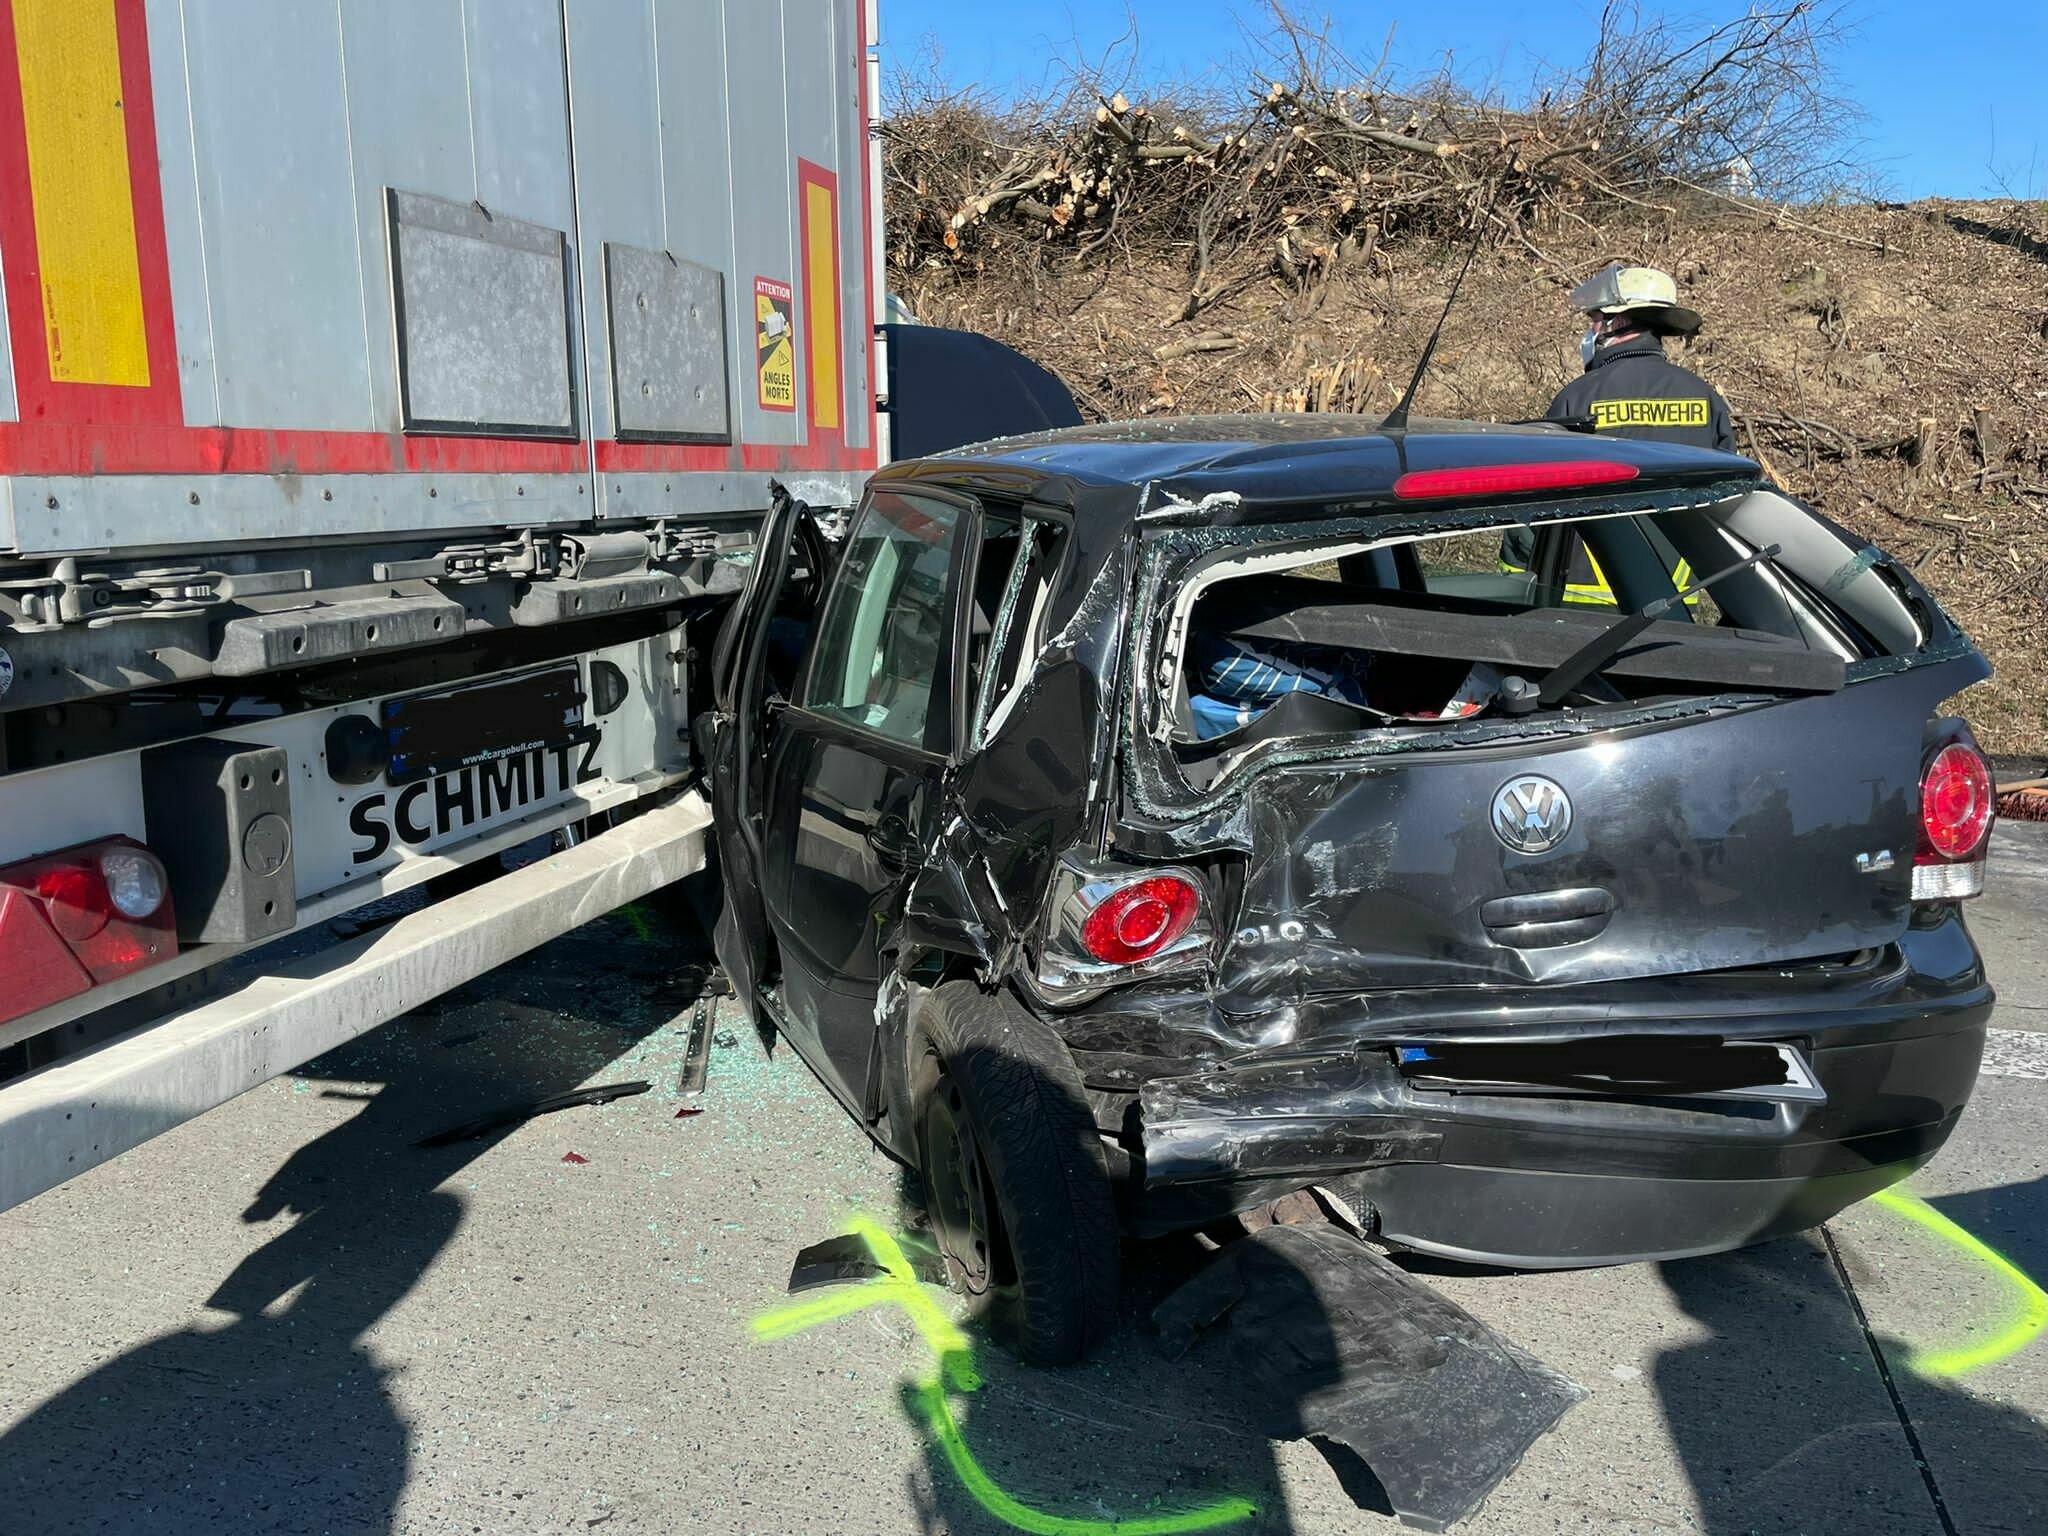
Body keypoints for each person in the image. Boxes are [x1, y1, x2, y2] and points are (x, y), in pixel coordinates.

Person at [1547, 264, 1735, 454]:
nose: (1591, 331)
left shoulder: (1577, 397)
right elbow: (1731, 475)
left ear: (1619, 322)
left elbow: (1550, 466)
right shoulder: (1704, 395)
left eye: (1596, 320)